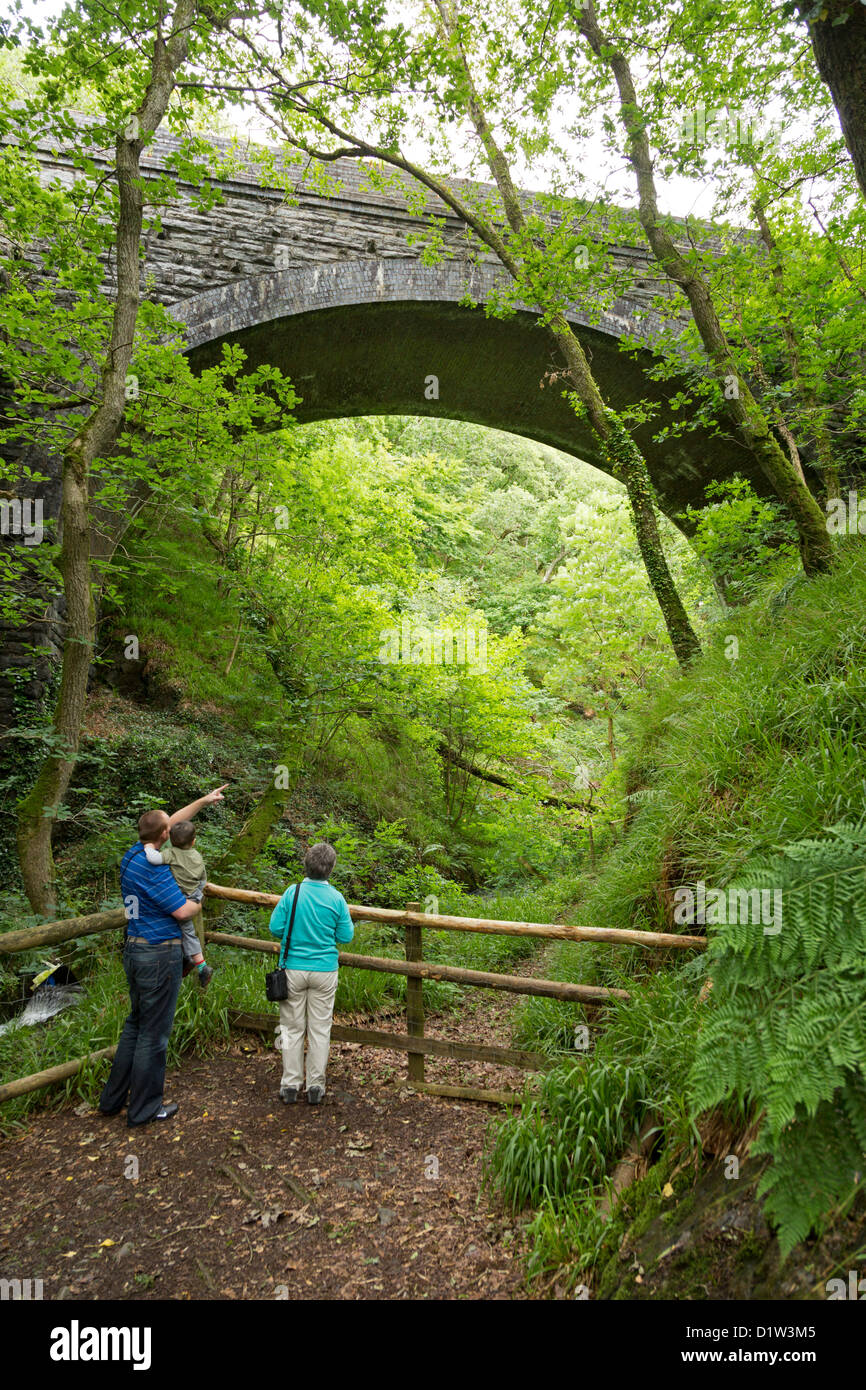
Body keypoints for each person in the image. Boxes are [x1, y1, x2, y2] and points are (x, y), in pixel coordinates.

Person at [99, 785, 229, 1127]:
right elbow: (183, 912)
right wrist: (201, 897)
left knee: (136, 1025)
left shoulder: (133, 855)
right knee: (154, 1036)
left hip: (134, 948)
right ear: (164, 835)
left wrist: (203, 801)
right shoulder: (155, 871)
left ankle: (112, 1100)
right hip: (158, 955)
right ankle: (143, 1109)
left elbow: (169, 823)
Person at [269, 842, 354, 1106]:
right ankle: (316, 1084)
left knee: (292, 1028)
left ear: (305, 864)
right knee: (319, 1029)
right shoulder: (336, 898)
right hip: (325, 971)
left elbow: (275, 928)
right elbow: (346, 936)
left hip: (293, 968)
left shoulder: (292, 893)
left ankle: (291, 1084)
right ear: (331, 869)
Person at [144, 820, 213, 988]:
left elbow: (154, 859)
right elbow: (203, 878)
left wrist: (147, 846)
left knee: (187, 931)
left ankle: (201, 965)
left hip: (180, 898)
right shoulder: (197, 855)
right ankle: (188, 960)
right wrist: (199, 895)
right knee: (185, 931)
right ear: (193, 841)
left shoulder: (171, 853)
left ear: (171, 840)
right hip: (195, 894)